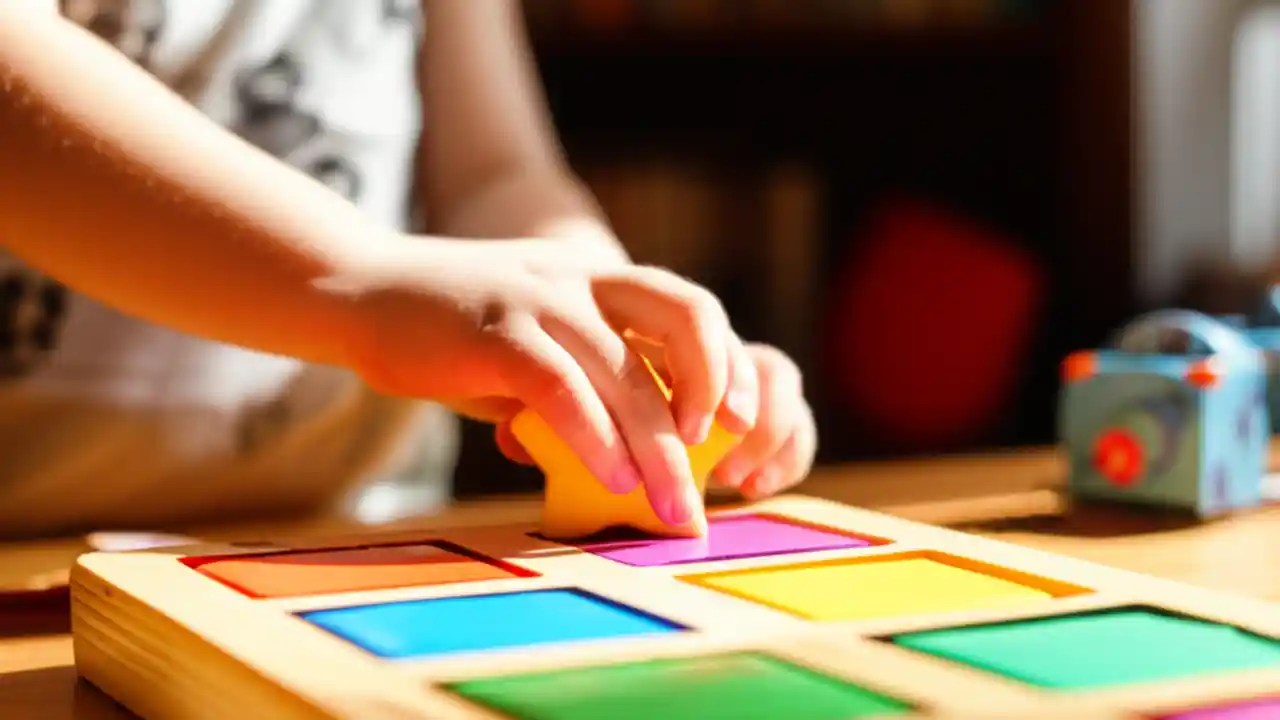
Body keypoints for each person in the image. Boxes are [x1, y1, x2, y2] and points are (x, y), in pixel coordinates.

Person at [0, 0, 816, 537]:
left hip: (362, 541)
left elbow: (493, 172)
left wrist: (616, 341)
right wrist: (361, 280)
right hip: (31, 564)